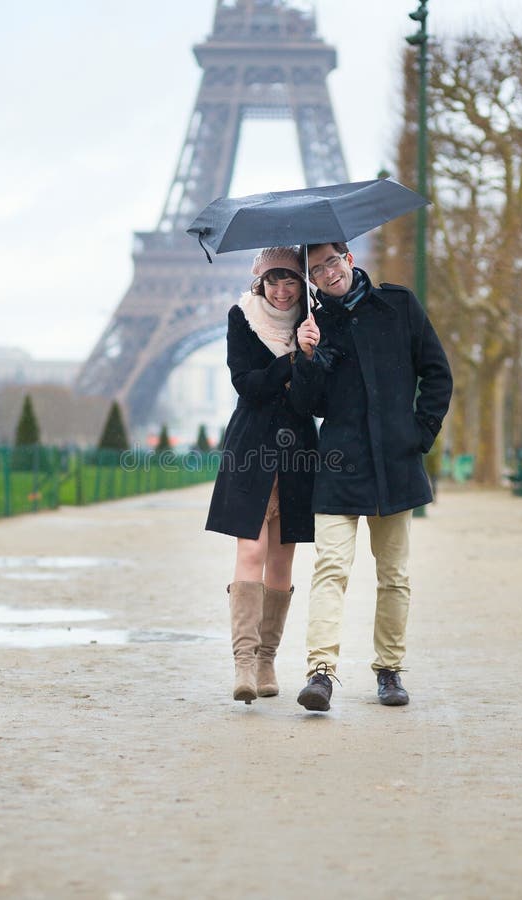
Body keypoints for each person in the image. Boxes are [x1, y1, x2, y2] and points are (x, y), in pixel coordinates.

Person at [290, 241, 453, 711]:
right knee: (331, 570)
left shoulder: (399, 305)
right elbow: (308, 406)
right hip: (340, 466)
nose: (327, 274)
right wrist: (307, 359)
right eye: (316, 271)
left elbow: (437, 373)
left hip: (395, 462)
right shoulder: (315, 326)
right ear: (313, 280)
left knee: (395, 575)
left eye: (332, 263)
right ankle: (320, 672)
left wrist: (419, 434)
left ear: (350, 260)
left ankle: (389, 670)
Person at [206, 246, 318, 704]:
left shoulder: (314, 326)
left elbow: (315, 400)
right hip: (251, 446)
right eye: (272, 280)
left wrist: (310, 355)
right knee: (251, 551)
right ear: (260, 282)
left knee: (282, 561)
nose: (281, 289)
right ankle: (245, 663)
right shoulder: (242, 318)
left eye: (289, 280)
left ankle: (268, 658)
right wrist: (291, 363)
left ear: (300, 283)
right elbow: (245, 384)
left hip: (295, 454)